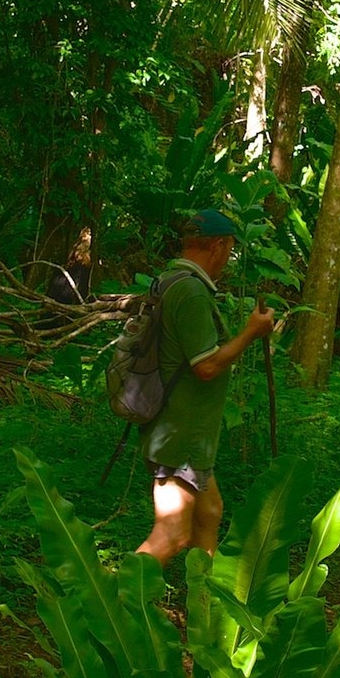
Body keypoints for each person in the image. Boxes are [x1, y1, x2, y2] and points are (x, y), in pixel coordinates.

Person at [136, 209, 274, 565]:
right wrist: (251, 332)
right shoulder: (191, 292)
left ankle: (203, 604)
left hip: (186, 434)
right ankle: (113, 605)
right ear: (218, 245)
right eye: (229, 250)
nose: (227, 260)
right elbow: (206, 366)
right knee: (171, 534)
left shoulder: (170, 278)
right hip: (180, 434)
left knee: (209, 510)